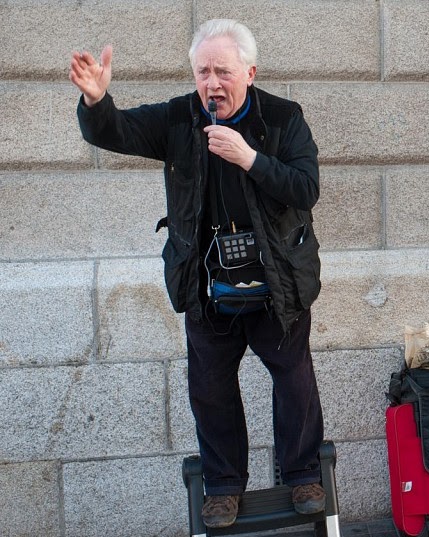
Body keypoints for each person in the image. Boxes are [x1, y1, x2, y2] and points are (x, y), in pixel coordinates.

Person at [70, 19, 326, 528]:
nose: (212, 83)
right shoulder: (179, 118)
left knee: (294, 381)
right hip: (207, 284)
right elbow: (116, 131)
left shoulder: (283, 117)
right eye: (203, 71)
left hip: (277, 282)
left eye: (223, 71)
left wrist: (250, 158)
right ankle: (225, 485)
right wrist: (98, 102)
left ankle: (302, 475)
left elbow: (305, 188)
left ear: (249, 72)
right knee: (209, 387)